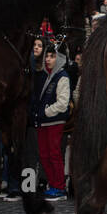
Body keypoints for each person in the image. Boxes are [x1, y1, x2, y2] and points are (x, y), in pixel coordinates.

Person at [32, 46, 70, 200]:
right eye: (46, 56)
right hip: (43, 122)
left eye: (52, 56)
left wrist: (46, 112)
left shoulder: (62, 76)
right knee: (45, 155)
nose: (48, 59)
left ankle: (60, 188)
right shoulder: (46, 76)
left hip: (54, 121)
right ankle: (53, 185)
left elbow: (63, 103)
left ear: (59, 58)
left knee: (54, 154)